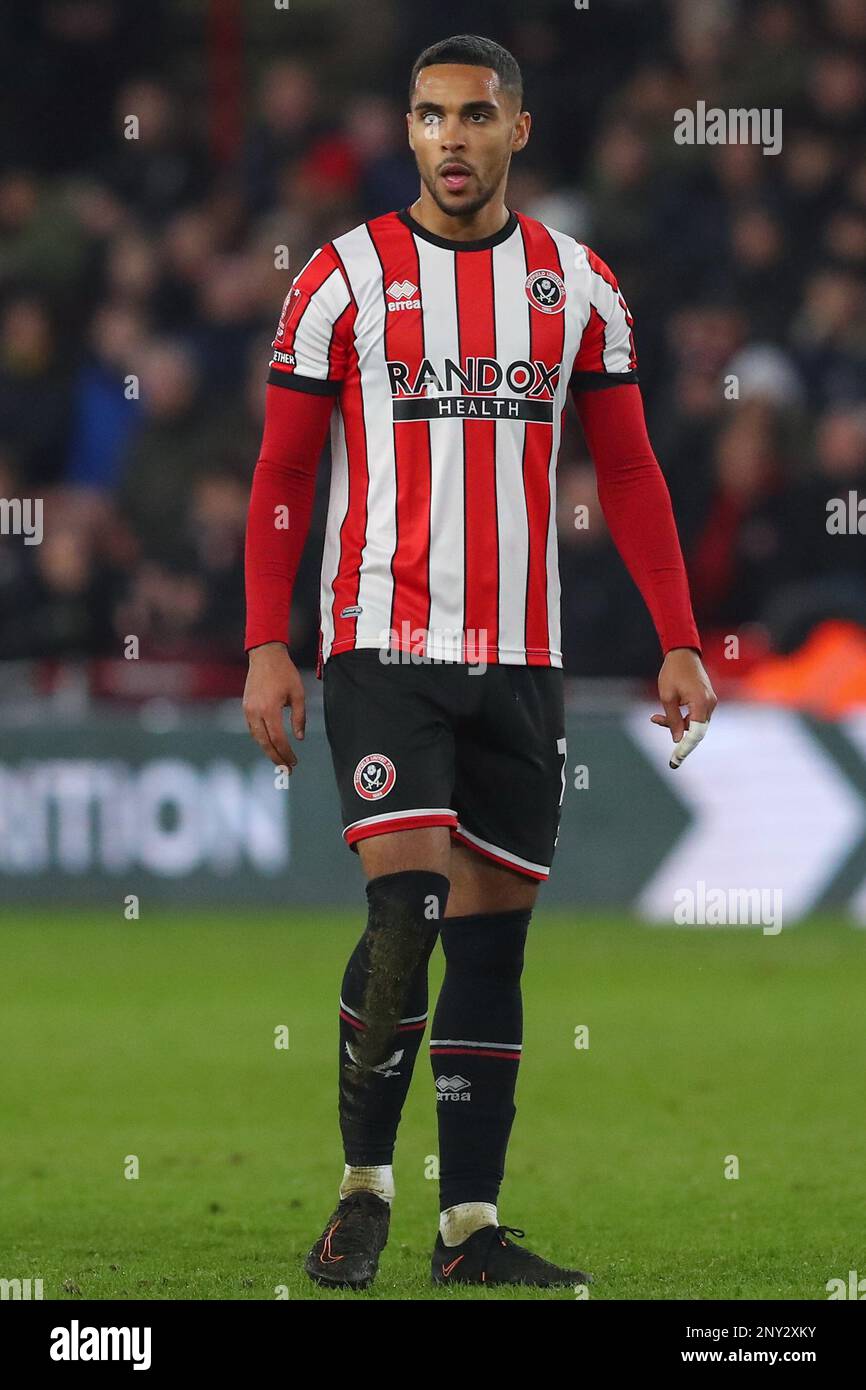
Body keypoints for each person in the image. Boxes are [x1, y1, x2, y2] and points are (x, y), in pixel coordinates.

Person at [243, 33, 716, 1290]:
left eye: (473, 115)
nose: (449, 137)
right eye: (427, 115)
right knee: (405, 909)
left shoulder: (578, 286)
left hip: (521, 658)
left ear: (517, 132)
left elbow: (625, 469)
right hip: (383, 643)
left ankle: (470, 1230)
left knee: (495, 950)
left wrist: (676, 631)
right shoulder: (340, 281)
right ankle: (361, 1191)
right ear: (406, 133)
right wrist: (264, 641)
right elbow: (286, 471)